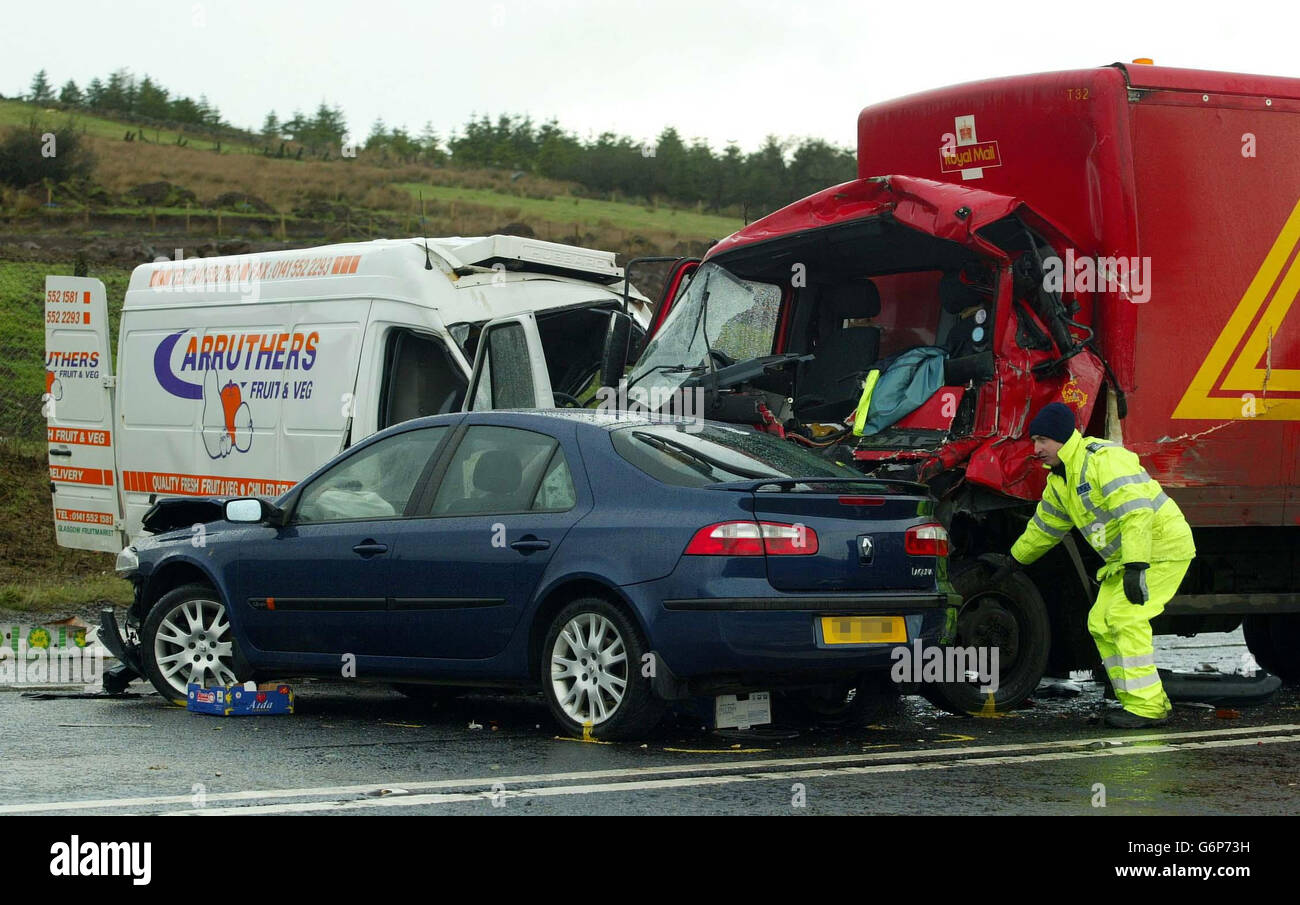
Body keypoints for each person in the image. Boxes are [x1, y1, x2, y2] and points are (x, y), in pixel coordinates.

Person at [984, 402, 1196, 728]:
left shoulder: (1104, 460)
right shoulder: (1060, 481)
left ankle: (1148, 708)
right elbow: (1045, 529)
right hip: (1126, 558)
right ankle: (1135, 702)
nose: (1036, 448)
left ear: (1062, 437)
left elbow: (1136, 512)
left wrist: (1137, 566)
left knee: (1125, 618)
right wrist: (1013, 561)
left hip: (1161, 550)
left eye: (1043, 440)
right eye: (1034, 440)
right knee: (1100, 621)